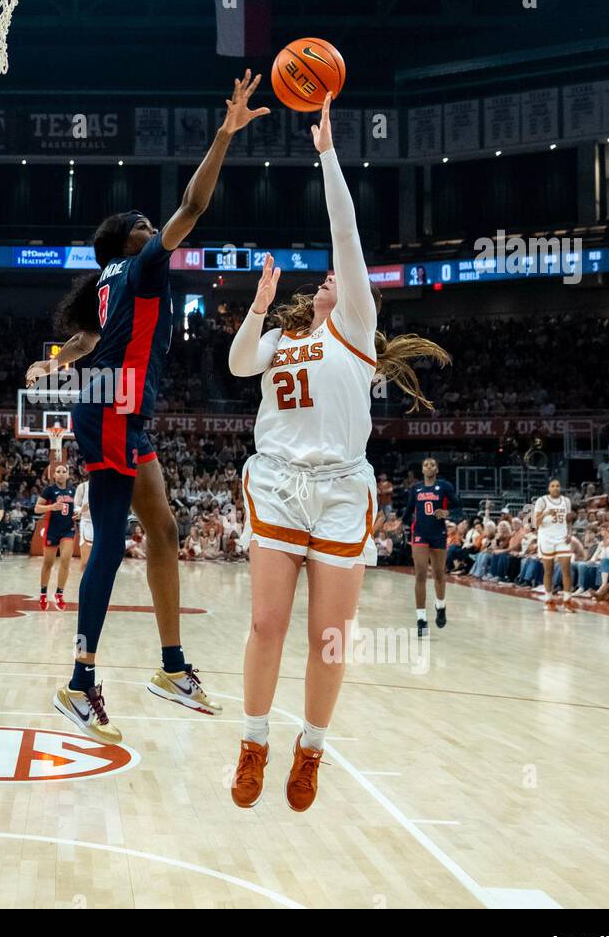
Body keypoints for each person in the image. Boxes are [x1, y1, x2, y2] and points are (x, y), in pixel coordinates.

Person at [24, 71, 268, 744]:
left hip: (124, 410)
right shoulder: (140, 268)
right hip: (110, 409)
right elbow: (193, 204)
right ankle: (78, 683)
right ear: (126, 241)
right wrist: (224, 132)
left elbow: (88, 339)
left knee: (162, 531)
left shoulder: (113, 281)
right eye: (143, 225)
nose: (153, 225)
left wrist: (57, 359)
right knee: (106, 541)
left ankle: (171, 668)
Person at [224, 93, 450, 813]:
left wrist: (326, 154)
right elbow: (236, 367)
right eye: (321, 278)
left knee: (329, 635)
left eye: (336, 277)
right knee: (266, 624)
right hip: (280, 482)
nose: (331, 277)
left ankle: (311, 749)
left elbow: (345, 237)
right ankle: (255, 739)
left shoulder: (355, 324)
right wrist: (258, 306)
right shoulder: (282, 338)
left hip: (344, 487)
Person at [402, 457, 460, 637]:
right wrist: (401, 523)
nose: (429, 467)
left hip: (438, 533)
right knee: (420, 574)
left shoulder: (444, 486)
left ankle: (440, 605)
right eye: (425, 464)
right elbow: (408, 511)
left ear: (437, 469)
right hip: (419, 533)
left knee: (439, 574)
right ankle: (421, 620)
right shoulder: (416, 488)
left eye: (432, 464)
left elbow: (459, 508)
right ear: (422, 469)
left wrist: (447, 513)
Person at [35, 461, 77, 610]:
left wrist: (77, 513)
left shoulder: (73, 490)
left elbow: (75, 509)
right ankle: (43, 594)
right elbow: (37, 508)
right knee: (48, 563)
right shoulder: (49, 490)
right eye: (58, 471)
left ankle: (59, 594)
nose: (60, 474)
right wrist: (51, 507)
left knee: (66, 561)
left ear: (67, 474)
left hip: (68, 530)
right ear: (54, 475)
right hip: (52, 530)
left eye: (63, 471)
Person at [533, 479, 575, 611]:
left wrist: (570, 533)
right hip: (546, 538)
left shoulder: (566, 501)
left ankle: (567, 601)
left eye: (558, 485)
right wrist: (545, 513)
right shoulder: (542, 501)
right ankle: (549, 600)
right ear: (548, 488)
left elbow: (568, 521)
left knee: (566, 569)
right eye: (553, 486)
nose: (555, 488)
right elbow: (535, 523)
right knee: (548, 571)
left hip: (562, 538)